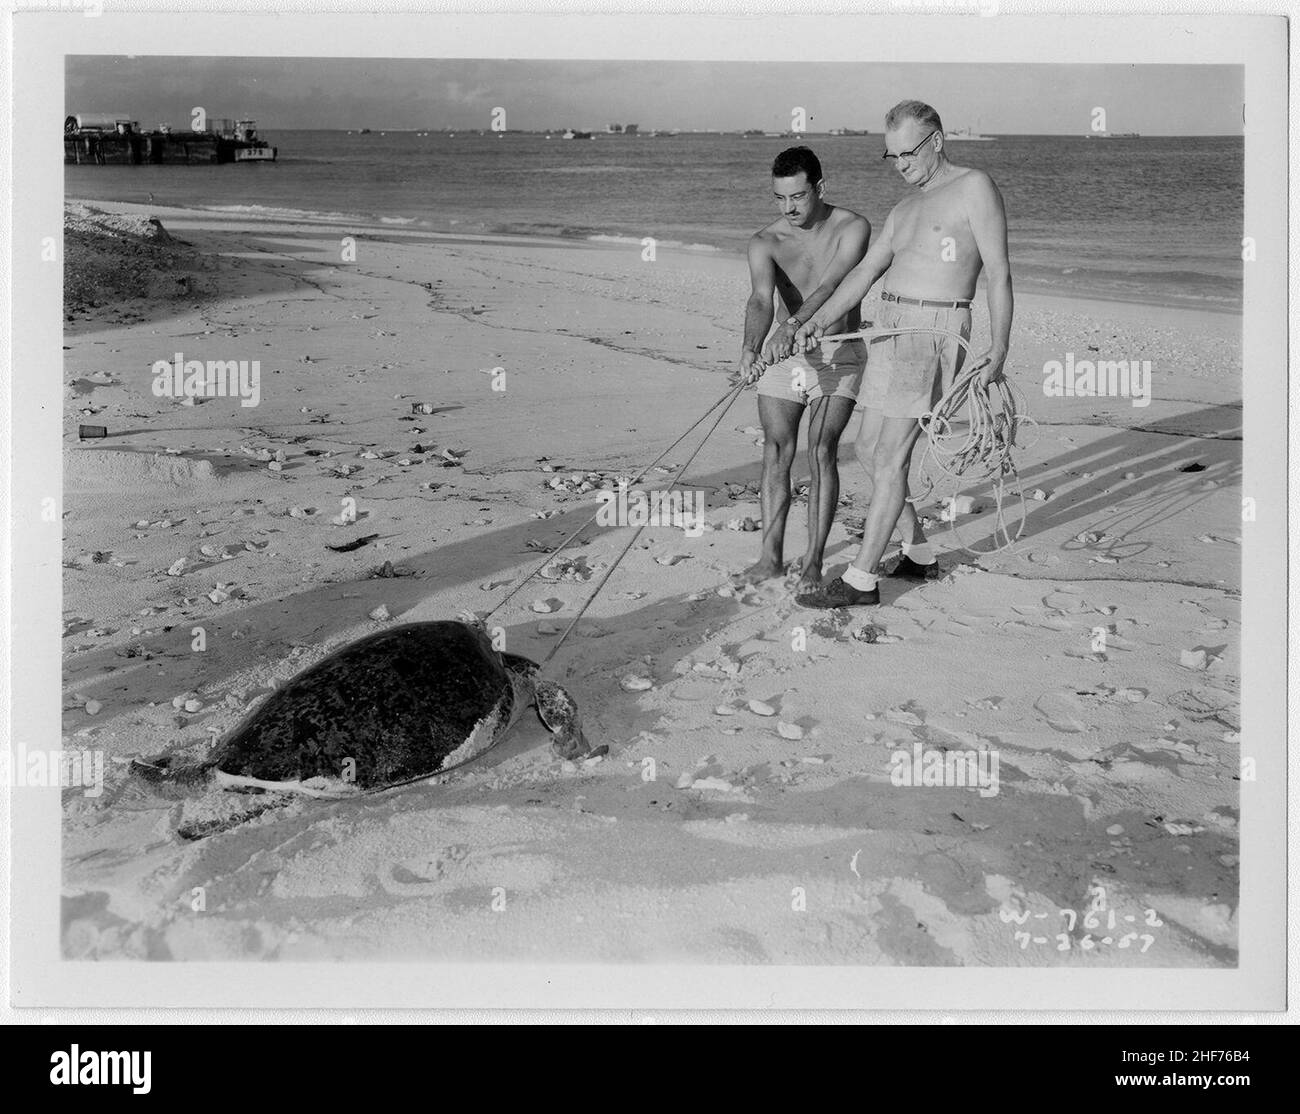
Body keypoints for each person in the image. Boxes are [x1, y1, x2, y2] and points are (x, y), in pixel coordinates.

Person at [791, 100, 1012, 608]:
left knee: (891, 454)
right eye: (890, 157)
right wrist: (815, 323)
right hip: (888, 327)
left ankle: (861, 579)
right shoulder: (904, 209)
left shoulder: (973, 186)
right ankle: (918, 553)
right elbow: (865, 274)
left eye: (908, 153)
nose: (901, 165)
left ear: (936, 140)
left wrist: (999, 347)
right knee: (869, 450)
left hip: (935, 329)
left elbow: (999, 271)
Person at [732, 146, 871, 594]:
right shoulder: (765, 241)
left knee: (822, 450)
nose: (788, 208)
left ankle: (813, 561)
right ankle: (770, 559)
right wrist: (751, 348)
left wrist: (794, 325)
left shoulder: (854, 227)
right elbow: (759, 300)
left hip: (838, 352)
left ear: (820, 188)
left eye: (798, 196)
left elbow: (833, 285)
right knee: (776, 451)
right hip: (785, 355)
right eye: (779, 198)